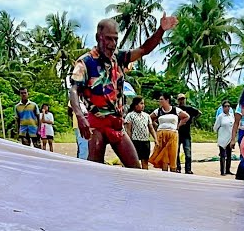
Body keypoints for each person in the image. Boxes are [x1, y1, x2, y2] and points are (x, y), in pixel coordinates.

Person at [70, 15, 177, 167]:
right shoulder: (85, 62)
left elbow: (144, 49)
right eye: (108, 39)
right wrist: (80, 116)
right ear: (98, 37)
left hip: (117, 124)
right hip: (97, 123)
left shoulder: (119, 58)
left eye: (115, 39)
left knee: (135, 169)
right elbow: (74, 89)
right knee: (95, 169)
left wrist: (161, 30)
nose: (112, 44)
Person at [148, 93, 186, 171]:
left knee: (172, 153)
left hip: (172, 134)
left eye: (161, 99)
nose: (160, 101)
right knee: (163, 154)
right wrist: (156, 126)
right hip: (161, 134)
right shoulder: (158, 111)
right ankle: (164, 171)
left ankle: (173, 170)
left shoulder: (175, 110)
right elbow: (149, 119)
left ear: (167, 100)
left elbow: (186, 116)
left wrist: (178, 126)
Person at [173, 93, 201, 174]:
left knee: (188, 153)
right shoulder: (175, 109)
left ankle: (188, 169)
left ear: (185, 99)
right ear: (177, 100)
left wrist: (192, 119)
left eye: (183, 99)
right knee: (176, 153)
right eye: (180, 99)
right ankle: (178, 168)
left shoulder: (189, 109)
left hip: (186, 134)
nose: (182, 101)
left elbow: (199, 113)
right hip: (177, 133)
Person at [123, 96, 153, 169]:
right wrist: (129, 142)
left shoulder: (146, 115)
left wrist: (156, 139)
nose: (143, 105)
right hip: (135, 141)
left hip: (145, 141)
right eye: (141, 103)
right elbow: (128, 130)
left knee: (145, 160)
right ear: (136, 105)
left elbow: (151, 128)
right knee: (134, 161)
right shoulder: (130, 115)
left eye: (143, 104)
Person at [213, 100, 237, 176]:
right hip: (222, 138)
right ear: (222, 107)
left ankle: (228, 170)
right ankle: (222, 171)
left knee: (229, 155)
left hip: (230, 138)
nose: (227, 108)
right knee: (223, 155)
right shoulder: (220, 117)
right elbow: (215, 128)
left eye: (228, 106)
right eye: (225, 106)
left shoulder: (231, 116)